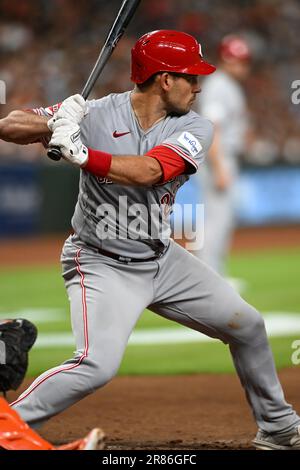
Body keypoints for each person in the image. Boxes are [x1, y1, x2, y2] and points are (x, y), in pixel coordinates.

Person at [0, 30, 299, 450]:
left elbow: (149, 172)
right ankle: (5, 427)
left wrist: (82, 154)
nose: (198, 87)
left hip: (162, 260)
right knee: (96, 366)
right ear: (164, 79)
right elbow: (8, 125)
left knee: (247, 325)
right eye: (190, 77)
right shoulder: (96, 113)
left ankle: (279, 427)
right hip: (100, 260)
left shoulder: (196, 126)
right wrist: (54, 123)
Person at [194, 34, 252, 276]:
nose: (241, 66)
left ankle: (214, 273)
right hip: (218, 158)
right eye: (237, 61)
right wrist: (219, 168)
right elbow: (212, 130)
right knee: (216, 220)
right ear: (225, 60)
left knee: (222, 219)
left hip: (225, 157)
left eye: (243, 61)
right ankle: (209, 276)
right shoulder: (218, 86)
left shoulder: (227, 85)